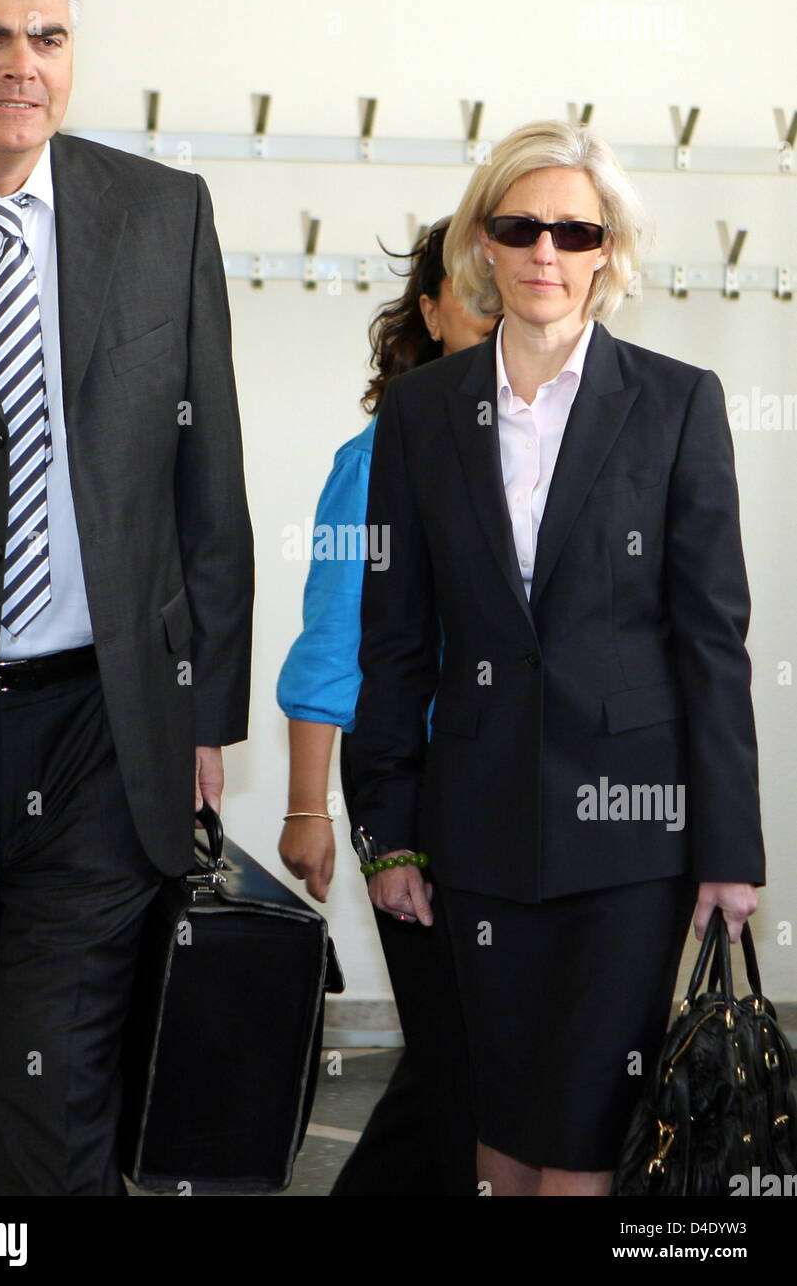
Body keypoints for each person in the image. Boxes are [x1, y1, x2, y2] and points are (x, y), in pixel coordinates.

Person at [0, 0, 253, 1196]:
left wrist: (202, 708)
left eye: (46, 35)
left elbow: (210, 486)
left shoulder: (160, 214)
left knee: (60, 1078)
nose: (20, 63)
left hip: (103, 727)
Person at [344, 119, 765, 1197]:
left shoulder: (677, 402)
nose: (545, 251)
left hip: (633, 839)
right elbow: (391, 639)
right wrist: (388, 836)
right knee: (496, 1134)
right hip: (476, 826)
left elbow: (713, 640)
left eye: (573, 230)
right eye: (521, 226)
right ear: (484, 242)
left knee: (579, 1144)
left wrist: (730, 845)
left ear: (606, 248)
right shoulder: (425, 412)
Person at [277, 220, 493, 1194]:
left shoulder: (560, 455)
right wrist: (307, 809)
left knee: (471, 1066)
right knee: (464, 1070)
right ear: (432, 311)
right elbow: (333, 640)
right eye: (470, 290)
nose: (495, 308)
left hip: (526, 800)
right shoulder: (376, 460)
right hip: (416, 797)